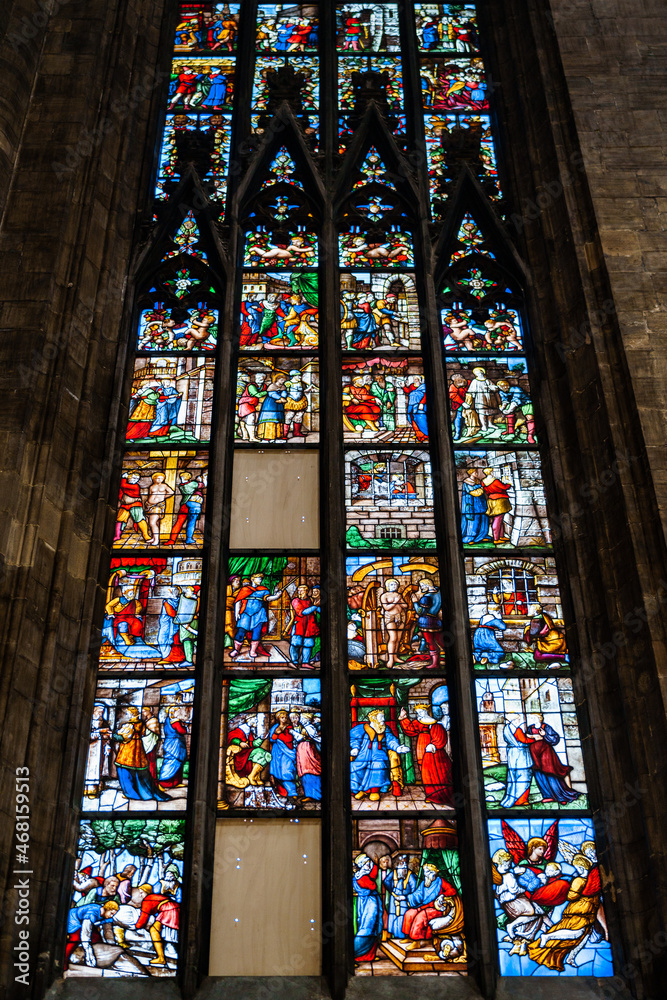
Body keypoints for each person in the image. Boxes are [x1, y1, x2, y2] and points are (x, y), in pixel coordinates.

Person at [528, 855, 604, 970]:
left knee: (584, 935)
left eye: (577, 867)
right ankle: (547, 936)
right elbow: (571, 896)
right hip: (578, 911)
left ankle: (570, 958)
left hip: (588, 911)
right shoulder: (578, 880)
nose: (577, 869)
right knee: (577, 932)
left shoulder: (587, 880)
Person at [491, 850, 549, 956]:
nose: (509, 866)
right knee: (536, 912)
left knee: (532, 919)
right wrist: (524, 888)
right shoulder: (508, 876)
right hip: (517, 901)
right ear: (500, 863)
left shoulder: (496, 877)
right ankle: (512, 927)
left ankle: (520, 945)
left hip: (507, 905)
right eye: (507, 863)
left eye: (509, 863)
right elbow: (515, 890)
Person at [349, 709, 411, 801]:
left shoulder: (386, 729)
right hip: (364, 754)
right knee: (353, 767)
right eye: (381, 717)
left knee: (379, 766)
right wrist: (355, 748)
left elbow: (391, 740)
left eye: (384, 717)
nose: (383, 719)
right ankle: (360, 790)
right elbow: (354, 738)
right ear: (374, 718)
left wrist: (398, 748)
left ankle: (374, 791)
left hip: (380, 754)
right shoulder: (362, 728)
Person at [399, 703, 454, 805]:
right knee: (423, 769)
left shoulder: (434, 723)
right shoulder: (418, 722)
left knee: (433, 768)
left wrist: (434, 745)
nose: (419, 714)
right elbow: (410, 729)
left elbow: (440, 735)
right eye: (417, 712)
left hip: (431, 747)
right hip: (421, 746)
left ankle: (435, 792)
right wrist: (403, 718)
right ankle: (430, 792)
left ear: (425, 711)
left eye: (420, 712)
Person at [113, 707, 170, 802]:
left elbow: (124, 738)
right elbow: (144, 733)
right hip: (138, 750)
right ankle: (144, 792)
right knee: (138, 772)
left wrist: (113, 735)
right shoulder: (140, 724)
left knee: (125, 772)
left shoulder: (129, 726)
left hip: (127, 752)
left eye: (128, 713)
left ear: (132, 714)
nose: (127, 715)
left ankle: (131, 794)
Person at [525, 714, 580, 804]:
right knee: (539, 774)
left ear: (539, 718)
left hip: (546, 753)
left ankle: (561, 796)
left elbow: (555, 739)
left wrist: (545, 734)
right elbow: (527, 739)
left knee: (551, 773)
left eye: (534, 717)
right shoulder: (530, 728)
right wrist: (531, 737)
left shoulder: (545, 727)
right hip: (534, 754)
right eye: (531, 717)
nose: (532, 719)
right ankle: (547, 795)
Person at [229, 573, 282, 660]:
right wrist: (237, 613)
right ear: (253, 579)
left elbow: (268, 599)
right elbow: (238, 601)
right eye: (258, 578)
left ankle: (253, 651)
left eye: (261, 579)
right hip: (245, 614)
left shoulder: (264, 590)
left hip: (259, 614)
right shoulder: (245, 589)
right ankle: (236, 650)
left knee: (256, 632)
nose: (260, 580)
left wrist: (276, 596)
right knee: (241, 632)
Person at [402, 864, 457, 940]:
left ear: (433, 872)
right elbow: (417, 895)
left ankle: (417, 940)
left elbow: (452, 890)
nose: (425, 874)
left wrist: (443, 895)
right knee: (409, 914)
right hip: (423, 906)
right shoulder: (423, 883)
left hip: (436, 908)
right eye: (425, 872)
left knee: (420, 917)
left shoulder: (440, 881)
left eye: (427, 872)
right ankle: (408, 937)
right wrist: (405, 897)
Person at [134, 880, 180, 967]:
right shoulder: (157, 896)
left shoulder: (148, 899)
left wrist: (136, 927)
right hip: (175, 908)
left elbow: (144, 917)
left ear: (146, 892)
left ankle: (161, 958)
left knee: (154, 930)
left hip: (168, 910)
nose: (141, 895)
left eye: (141, 893)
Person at [65, 900, 119, 969]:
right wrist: (88, 952)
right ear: (106, 909)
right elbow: (85, 934)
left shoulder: (105, 915)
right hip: (74, 920)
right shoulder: (92, 913)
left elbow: (108, 930)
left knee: (96, 938)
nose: (111, 916)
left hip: (85, 922)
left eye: (113, 914)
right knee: (75, 939)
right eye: (111, 913)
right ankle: (64, 963)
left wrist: (112, 945)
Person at [500, 715, 535, 807]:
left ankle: (511, 797)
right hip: (521, 757)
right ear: (514, 720)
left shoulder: (506, 729)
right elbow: (524, 740)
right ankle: (521, 800)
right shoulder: (518, 729)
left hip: (512, 756)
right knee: (524, 777)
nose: (520, 720)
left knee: (513, 777)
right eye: (518, 719)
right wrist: (535, 738)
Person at [353, 854, 383, 961]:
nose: (368, 866)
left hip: (368, 902)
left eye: (368, 863)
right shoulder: (362, 877)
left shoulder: (363, 874)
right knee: (368, 927)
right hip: (369, 903)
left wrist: (373, 862)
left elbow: (374, 872)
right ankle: (355, 954)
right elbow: (373, 886)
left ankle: (369, 956)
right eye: (366, 864)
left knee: (373, 926)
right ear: (362, 865)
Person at [410, 578, 445, 669]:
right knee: (441, 640)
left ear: (427, 585)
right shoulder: (439, 593)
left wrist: (415, 602)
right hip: (436, 621)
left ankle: (435, 663)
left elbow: (420, 611)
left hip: (427, 622)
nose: (421, 588)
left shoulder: (426, 597)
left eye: (422, 586)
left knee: (430, 642)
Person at [164, 471, 205, 545]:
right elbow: (202, 485)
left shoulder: (181, 485)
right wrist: (200, 480)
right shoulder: (192, 484)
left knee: (179, 522)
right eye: (181, 477)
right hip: (195, 504)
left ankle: (172, 540)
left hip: (184, 505)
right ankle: (189, 539)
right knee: (191, 522)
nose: (181, 478)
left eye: (182, 477)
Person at [382, 856, 417, 937]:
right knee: (393, 914)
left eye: (405, 863)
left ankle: (401, 936)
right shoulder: (393, 873)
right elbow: (386, 881)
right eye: (401, 863)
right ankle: (393, 934)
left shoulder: (410, 875)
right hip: (394, 898)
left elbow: (414, 887)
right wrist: (392, 891)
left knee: (402, 915)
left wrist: (407, 896)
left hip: (404, 899)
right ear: (397, 865)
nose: (404, 865)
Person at [269, 710, 299, 802]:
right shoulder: (275, 727)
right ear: (278, 718)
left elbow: (289, 738)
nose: (284, 719)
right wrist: (276, 734)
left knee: (287, 771)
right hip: (277, 751)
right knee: (277, 771)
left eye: (286, 717)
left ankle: (292, 792)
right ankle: (282, 792)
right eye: (282, 717)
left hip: (287, 751)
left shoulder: (289, 728)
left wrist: (279, 735)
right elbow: (271, 738)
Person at [286, 584, 319, 666]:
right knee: (295, 644)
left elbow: (316, 610)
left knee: (308, 644)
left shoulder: (310, 600)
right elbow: (302, 612)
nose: (300, 592)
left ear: (306, 591)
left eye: (302, 590)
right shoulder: (295, 601)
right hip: (299, 626)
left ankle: (305, 662)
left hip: (310, 626)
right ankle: (294, 661)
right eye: (299, 590)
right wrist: (315, 606)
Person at [115, 471, 151, 543]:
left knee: (140, 519)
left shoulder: (135, 486)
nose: (135, 480)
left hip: (135, 505)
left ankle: (146, 535)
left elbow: (123, 486)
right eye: (133, 478)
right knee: (120, 520)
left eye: (137, 479)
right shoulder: (125, 485)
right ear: (129, 477)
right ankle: (117, 535)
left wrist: (123, 478)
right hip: (125, 505)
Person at [379, 578, 407, 669]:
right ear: (387, 586)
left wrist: (400, 601)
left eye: (395, 585)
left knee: (398, 638)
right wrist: (395, 601)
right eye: (392, 585)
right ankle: (390, 659)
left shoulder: (398, 595)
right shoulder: (384, 596)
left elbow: (405, 605)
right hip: (390, 617)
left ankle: (395, 657)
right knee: (393, 637)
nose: (394, 586)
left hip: (401, 616)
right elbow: (387, 608)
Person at [158, 705, 188, 788]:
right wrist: (186, 728)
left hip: (170, 742)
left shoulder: (168, 720)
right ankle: (164, 781)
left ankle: (175, 782)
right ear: (173, 712)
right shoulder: (175, 722)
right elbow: (182, 731)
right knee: (173, 761)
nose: (179, 712)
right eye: (178, 711)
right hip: (174, 744)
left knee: (175, 761)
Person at [482, 467, 512, 544]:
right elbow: (504, 487)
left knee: (499, 519)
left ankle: (501, 536)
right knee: (498, 519)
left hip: (491, 500)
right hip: (500, 500)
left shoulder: (483, 482)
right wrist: (509, 484)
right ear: (491, 472)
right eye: (492, 471)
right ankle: (496, 539)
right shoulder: (495, 481)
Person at [296, 712, 322, 801]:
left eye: (302, 718)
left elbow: (313, 737)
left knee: (310, 771)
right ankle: (308, 794)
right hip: (303, 749)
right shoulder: (306, 727)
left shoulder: (309, 728)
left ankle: (314, 795)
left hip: (308, 750)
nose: (300, 720)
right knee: (305, 772)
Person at [460, 468, 490, 543]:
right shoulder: (467, 482)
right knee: (473, 521)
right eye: (475, 472)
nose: (476, 474)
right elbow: (474, 493)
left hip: (481, 505)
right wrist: (482, 489)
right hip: (472, 505)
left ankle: (482, 535)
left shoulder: (477, 482)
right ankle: (470, 538)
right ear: (471, 473)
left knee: (483, 520)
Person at [145, 472, 174, 545]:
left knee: (152, 522)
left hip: (158, 505)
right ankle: (153, 538)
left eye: (161, 478)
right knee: (152, 523)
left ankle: (156, 540)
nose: (159, 479)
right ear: (154, 479)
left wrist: (163, 497)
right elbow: (150, 495)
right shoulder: (151, 487)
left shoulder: (164, 486)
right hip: (150, 505)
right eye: (158, 478)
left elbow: (171, 492)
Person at [256, 374, 287, 440]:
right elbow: (271, 394)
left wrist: (283, 397)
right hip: (270, 404)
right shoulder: (272, 386)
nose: (282, 381)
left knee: (278, 418)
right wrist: (280, 398)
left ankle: (278, 435)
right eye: (281, 380)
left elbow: (284, 392)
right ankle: (267, 436)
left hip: (279, 404)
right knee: (270, 417)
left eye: (284, 380)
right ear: (277, 379)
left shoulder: (283, 386)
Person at [283, 369, 309, 439]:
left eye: (300, 376)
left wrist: (309, 389)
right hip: (291, 401)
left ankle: (297, 432)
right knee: (289, 417)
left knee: (299, 417)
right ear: (293, 376)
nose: (300, 377)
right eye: (298, 376)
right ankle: (284, 434)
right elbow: (284, 392)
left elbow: (304, 391)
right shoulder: (288, 383)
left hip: (301, 401)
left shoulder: (302, 384)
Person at [403, 374, 429, 441]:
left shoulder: (423, 386)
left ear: (419, 379)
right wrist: (403, 386)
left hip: (419, 404)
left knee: (418, 418)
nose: (415, 380)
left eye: (416, 379)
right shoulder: (412, 385)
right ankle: (418, 433)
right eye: (414, 379)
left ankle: (424, 434)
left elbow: (425, 395)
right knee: (410, 417)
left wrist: (421, 404)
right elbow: (408, 391)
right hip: (411, 403)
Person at [449, 373, 469, 440]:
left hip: (471, 403)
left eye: (459, 380)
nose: (458, 381)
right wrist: (462, 403)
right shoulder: (453, 386)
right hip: (459, 405)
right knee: (459, 417)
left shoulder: (468, 382)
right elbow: (453, 395)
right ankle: (457, 433)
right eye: (457, 380)